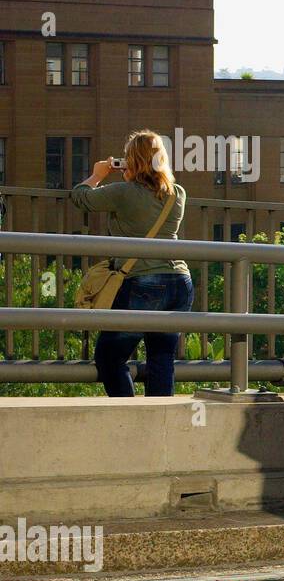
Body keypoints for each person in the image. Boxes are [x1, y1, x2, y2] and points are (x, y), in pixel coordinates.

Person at [71, 130, 192, 397]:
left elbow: (81, 197)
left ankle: (130, 414)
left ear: (132, 161)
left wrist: (98, 175)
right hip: (179, 281)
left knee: (110, 357)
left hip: (143, 282)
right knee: (161, 359)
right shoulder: (178, 193)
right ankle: (159, 425)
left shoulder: (124, 192)